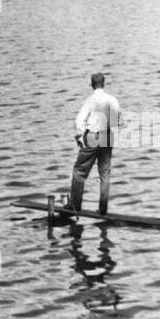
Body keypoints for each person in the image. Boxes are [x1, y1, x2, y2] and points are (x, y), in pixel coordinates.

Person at [67, 73, 121, 214]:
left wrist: (80, 138)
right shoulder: (112, 100)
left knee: (79, 171)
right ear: (104, 83)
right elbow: (116, 120)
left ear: (91, 84)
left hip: (93, 136)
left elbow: (79, 121)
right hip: (108, 135)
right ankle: (103, 209)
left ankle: (75, 205)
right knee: (105, 173)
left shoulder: (90, 100)